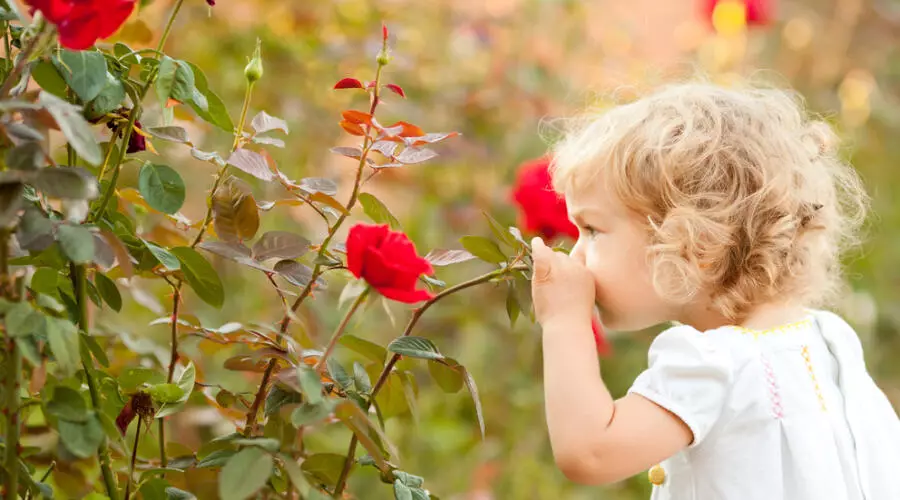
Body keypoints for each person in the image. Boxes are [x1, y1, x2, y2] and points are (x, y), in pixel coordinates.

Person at [530, 81, 900, 499]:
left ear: (693, 241)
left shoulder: (714, 365)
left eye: (593, 229)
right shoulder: (830, 339)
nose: (576, 255)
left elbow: (591, 452)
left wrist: (563, 320)